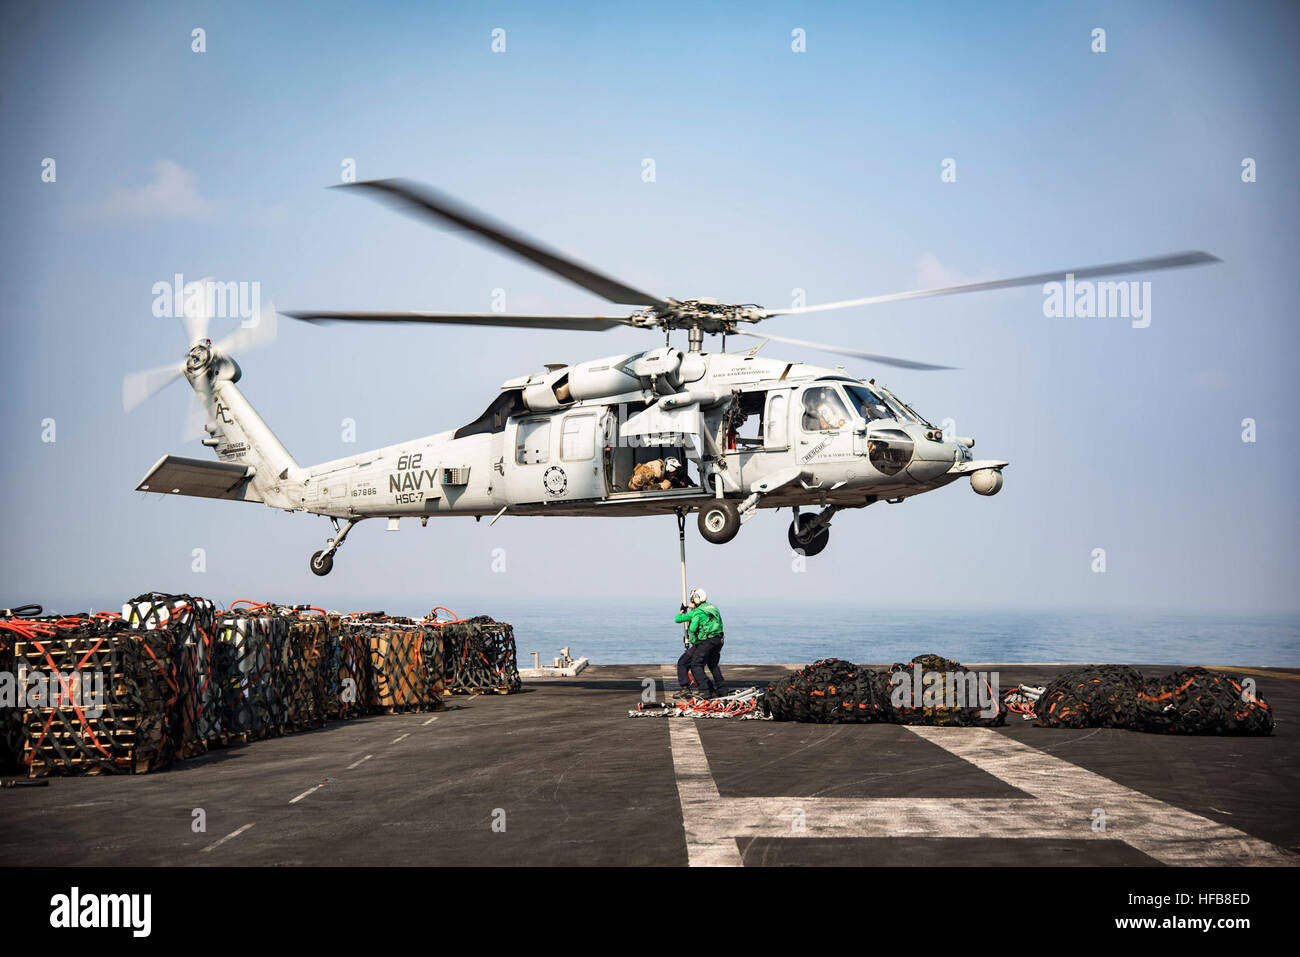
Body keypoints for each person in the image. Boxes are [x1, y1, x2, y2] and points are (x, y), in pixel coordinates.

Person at [673, 587, 725, 699]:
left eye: (692, 600)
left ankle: (705, 691)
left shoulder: (697, 612)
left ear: (696, 599)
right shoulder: (713, 607)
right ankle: (722, 690)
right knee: (713, 665)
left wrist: (685, 613)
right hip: (719, 640)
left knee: (695, 664)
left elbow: (689, 627)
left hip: (705, 642)